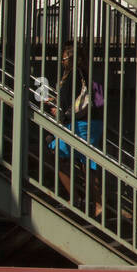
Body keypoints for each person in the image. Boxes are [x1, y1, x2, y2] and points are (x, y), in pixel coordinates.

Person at [46, 42, 104, 217]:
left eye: (64, 57)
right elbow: (89, 100)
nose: (62, 60)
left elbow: (67, 102)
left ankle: (79, 199)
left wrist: (58, 110)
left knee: (59, 153)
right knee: (88, 162)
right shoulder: (89, 74)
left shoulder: (72, 75)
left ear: (69, 58)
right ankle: (93, 203)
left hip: (79, 123)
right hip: (92, 122)